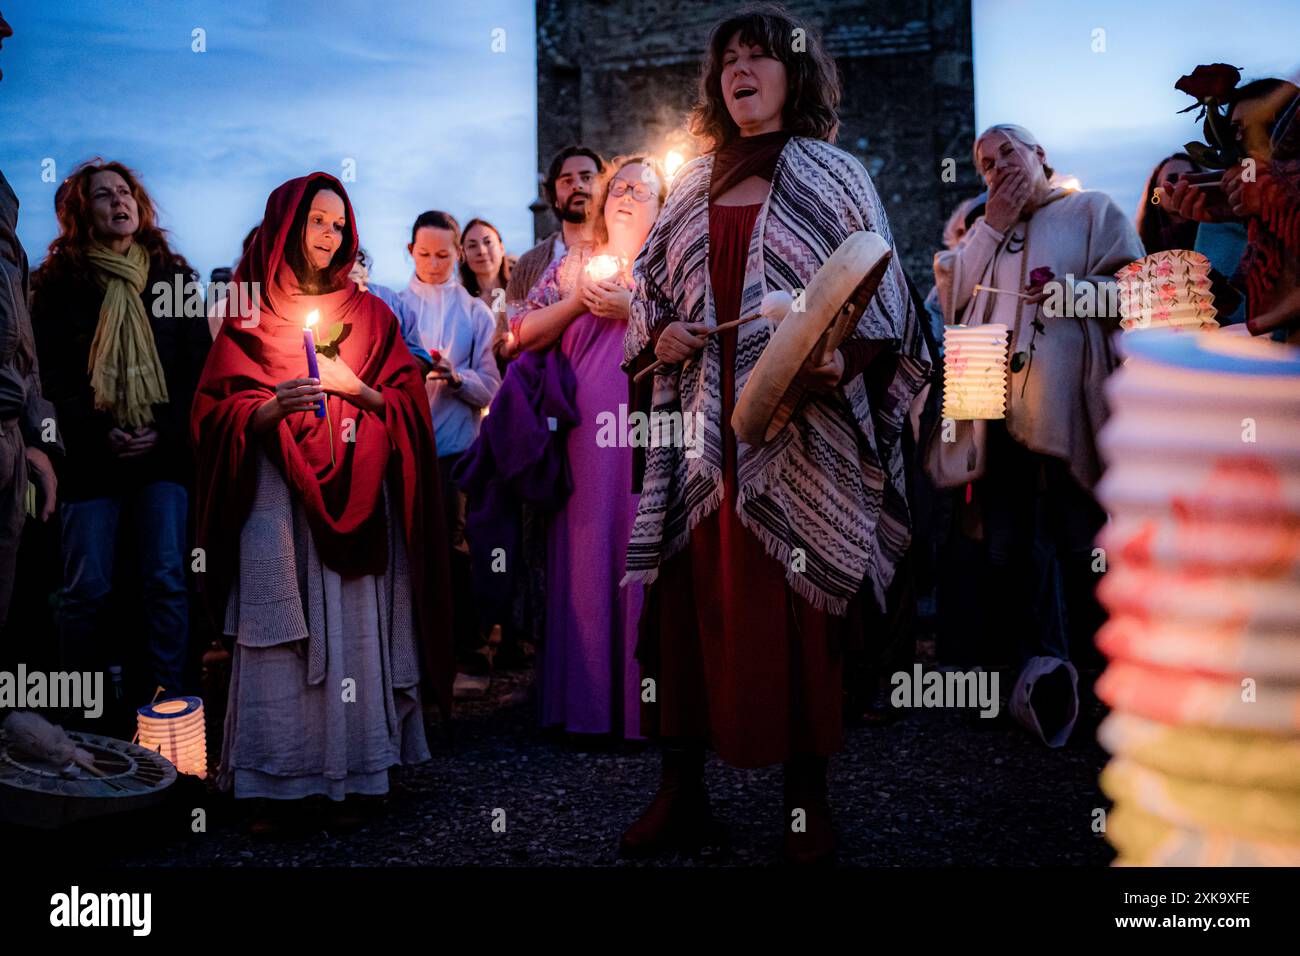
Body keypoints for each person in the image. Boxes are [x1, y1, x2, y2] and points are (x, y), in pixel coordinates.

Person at [619, 7, 930, 864]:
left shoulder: (835, 173)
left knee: (797, 609)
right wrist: (662, 337)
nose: (741, 69)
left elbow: (884, 294)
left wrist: (840, 361)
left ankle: (807, 804)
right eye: (729, 59)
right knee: (685, 609)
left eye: (760, 56)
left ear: (797, 75)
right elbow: (648, 292)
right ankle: (679, 793)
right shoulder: (689, 184)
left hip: (803, 436)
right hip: (697, 442)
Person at [192, 173, 454, 828]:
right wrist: (268, 408)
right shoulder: (249, 314)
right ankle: (274, 782)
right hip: (278, 504)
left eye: (339, 224)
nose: (329, 234)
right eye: (316, 220)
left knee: (351, 630)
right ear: (286, 223)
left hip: (360, 495)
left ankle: (359, 774)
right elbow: (211, 411)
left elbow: (406, 404)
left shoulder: (371, 314)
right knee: (279, 639)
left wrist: (355, 391)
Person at [928, 124, 1143, 691]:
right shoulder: (984, 230)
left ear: (1039, 155)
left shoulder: (1092, 211)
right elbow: (954, 303)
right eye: (986, 164)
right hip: (995, 410)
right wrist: (990, 228)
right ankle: (1017, 677)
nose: (998, 167)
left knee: (1082, 542)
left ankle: (1103, 675)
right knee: (1004, 546)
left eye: (1008, 153)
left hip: (1068, 404)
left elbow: (1136, 292)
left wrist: (1074, 293)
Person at [31, 160, 209, 697]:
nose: (118, 202)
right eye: (104, 196)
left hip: (161, 456)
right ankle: (85, 720)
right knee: (87, 591)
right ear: (82, 213)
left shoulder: (171, 278)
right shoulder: (60, 283)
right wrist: (94, 428)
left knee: (165, 582)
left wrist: (165, 430)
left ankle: (169, 712)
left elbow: (195, 367)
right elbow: (49, 371)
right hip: (91, 460)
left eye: (125, 191)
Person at [509, 156, 665, 738]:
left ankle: (644, 712)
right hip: (582, 432)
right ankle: (588, 708)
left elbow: (706, 331)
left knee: (641, 551)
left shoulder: (673, 266)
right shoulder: (570, 265)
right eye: (619, 186)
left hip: (653, 427)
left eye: (643, 190)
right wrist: (577, 300)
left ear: (662, 204)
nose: (627, 195)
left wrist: (637, 310)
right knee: (585, 554)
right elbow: (520, 333)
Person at [388, 210, 501, 678]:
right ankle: (411, 648)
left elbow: (492, 386)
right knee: (409, 543)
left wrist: (457, 378)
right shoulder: (393, 305)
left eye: (443, 254)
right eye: (424, 254)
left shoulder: (475, 312)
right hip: (405, 446)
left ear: (457, 253)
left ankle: (467, 649)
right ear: (409, 251)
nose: (434, 263)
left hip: (456, 444)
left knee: (457, 545)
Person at [0, 8, 60, 631]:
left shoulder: (4, 200)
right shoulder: (60, 280)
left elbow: (22, 349)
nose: (7, 33)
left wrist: (35, 442)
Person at [1163, 78, 1300, 336]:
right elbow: (1234, 310)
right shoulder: (1220, 216)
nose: (1246, 140)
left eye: (1265, 126)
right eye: (1236, 129)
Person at [505, 145, 604, 307]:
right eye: (567, 181)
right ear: (554, 197)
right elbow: (508, 324)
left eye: (587, 178)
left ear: (604, 186)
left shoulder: (625, 250)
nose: (577, 185)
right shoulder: (528, 265)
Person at [460, 218, 517, 369]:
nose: (481, 251)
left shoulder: (522, 292)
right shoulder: (461, 303)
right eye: (472, 246)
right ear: (462, 254)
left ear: (502, 248)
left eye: (488, 242)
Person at [1135, 153, 1201, 254]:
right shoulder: (1139, 251)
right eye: (1172, 180)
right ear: (1156, 196)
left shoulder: (1224, 232)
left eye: (1190, 177)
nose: (1182, 185)